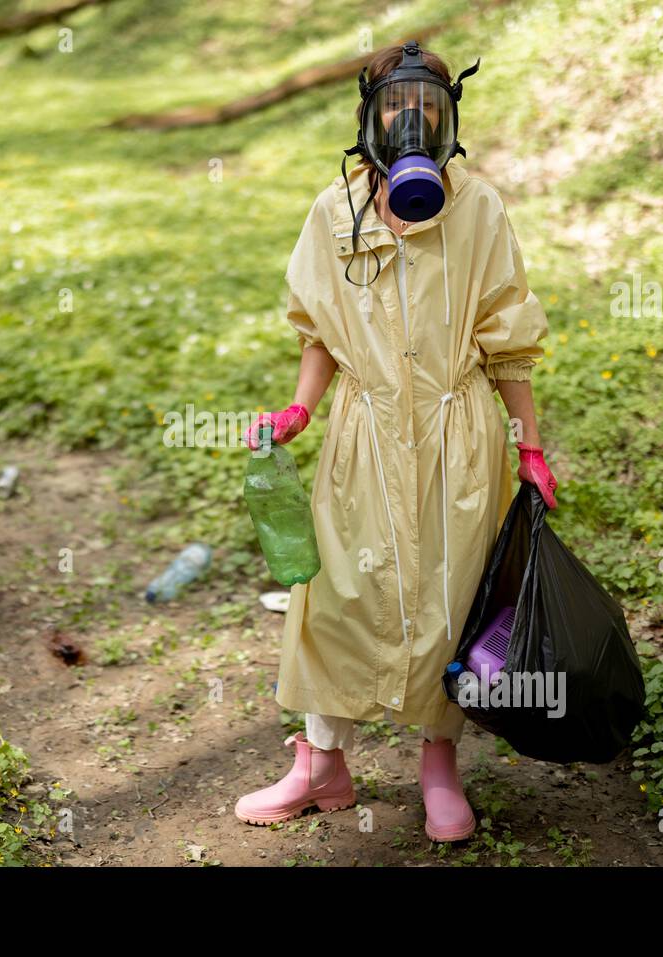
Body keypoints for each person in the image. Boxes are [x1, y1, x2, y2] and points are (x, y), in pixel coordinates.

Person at [235, 42, 558, 842]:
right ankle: (320, 762)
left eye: (426, 107)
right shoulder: (331, 211)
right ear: (367, 116)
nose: (409, 121)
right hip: (362, 433)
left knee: (451, 599)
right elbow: (317, 334)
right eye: (393, 106)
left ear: (450, 116)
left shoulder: (476, 207)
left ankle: (438, 762)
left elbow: (507, 341)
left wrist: (530, 446)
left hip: (458, 435)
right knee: (333, 594)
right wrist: (298, 412)